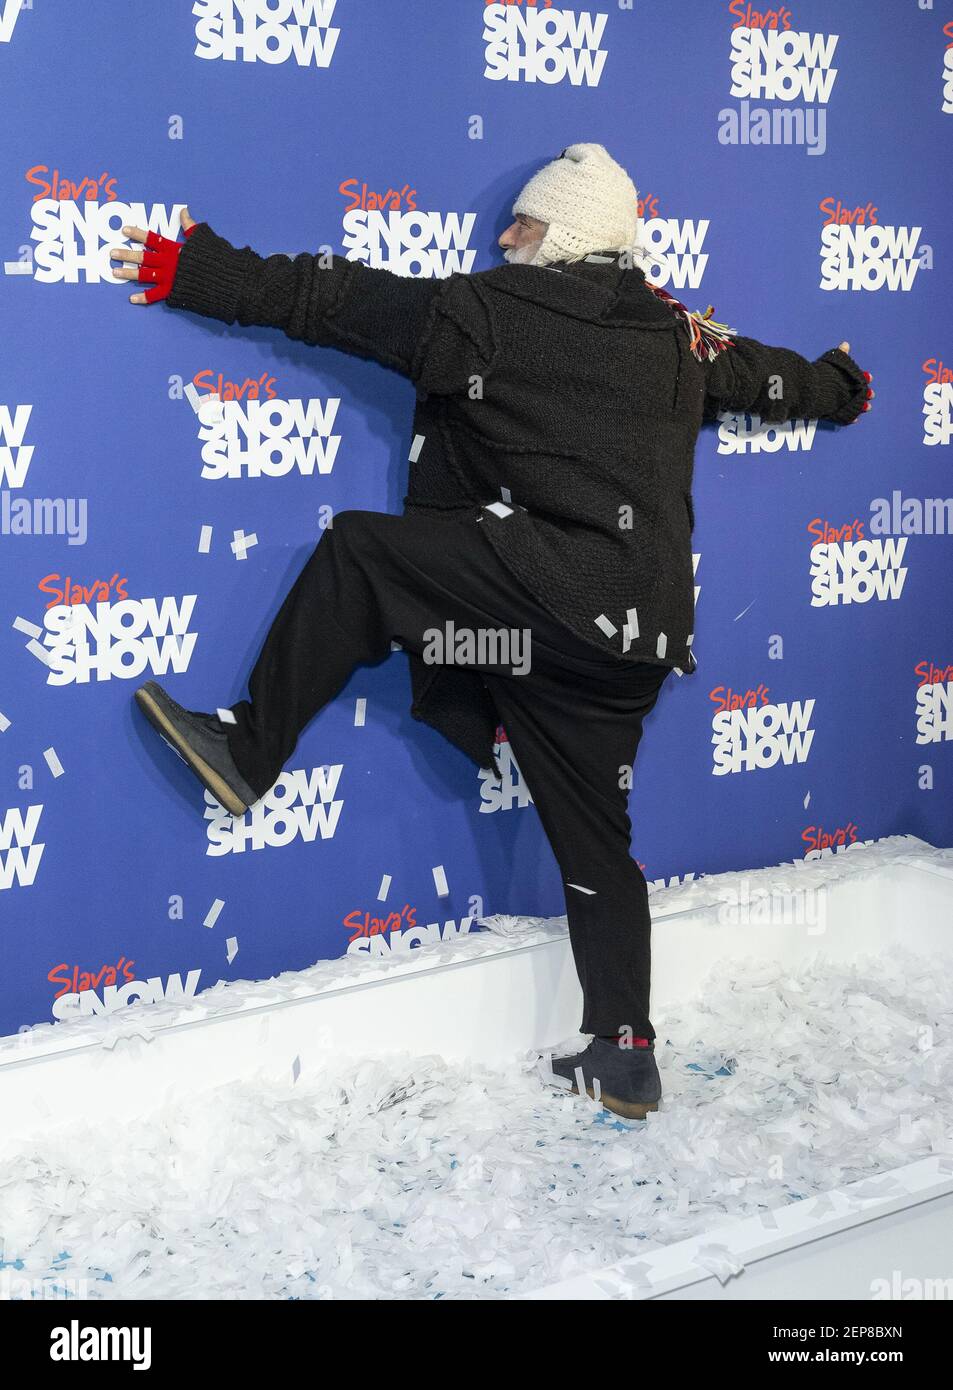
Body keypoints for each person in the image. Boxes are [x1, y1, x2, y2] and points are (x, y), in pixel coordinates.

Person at [111, 144, 873, 1119]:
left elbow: (329, 299)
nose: (500, 236)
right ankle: (624, 1050)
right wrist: (841, 387)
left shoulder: (483, 314)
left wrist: (193, 270)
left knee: (362, 555)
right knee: (597, 844)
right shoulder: (676, 337)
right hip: (632, 638)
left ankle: (248, 750)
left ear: (549, 234)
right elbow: (765, 379)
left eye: (517, 224)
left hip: (548, 599)